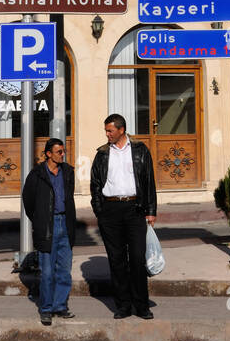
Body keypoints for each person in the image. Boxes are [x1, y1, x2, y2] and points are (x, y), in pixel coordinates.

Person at [91, 113, 158, 320]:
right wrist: (99, 210)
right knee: (117, 260)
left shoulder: (139, 150)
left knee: (137, 259)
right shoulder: (102, 153)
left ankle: (141, 305)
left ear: (121, 130)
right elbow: (95, 184)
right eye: (106, 130)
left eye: (110, 130)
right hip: (110, 211)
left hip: (135, 209)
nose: (107, 134)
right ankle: (122, 306)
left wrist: (151, 210)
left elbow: (148, 180)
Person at [21, 137, 77, 325]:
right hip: (47, 226)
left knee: (64, 270)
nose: (63, 155)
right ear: (48, 154)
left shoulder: (68, 172)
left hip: (65, 224)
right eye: (59, 152)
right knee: (47, 272)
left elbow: (69, 197)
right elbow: (28, 201)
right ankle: (46, 308)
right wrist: (39, 220)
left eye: (63, 151)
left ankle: (60, 306)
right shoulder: (37, 174)